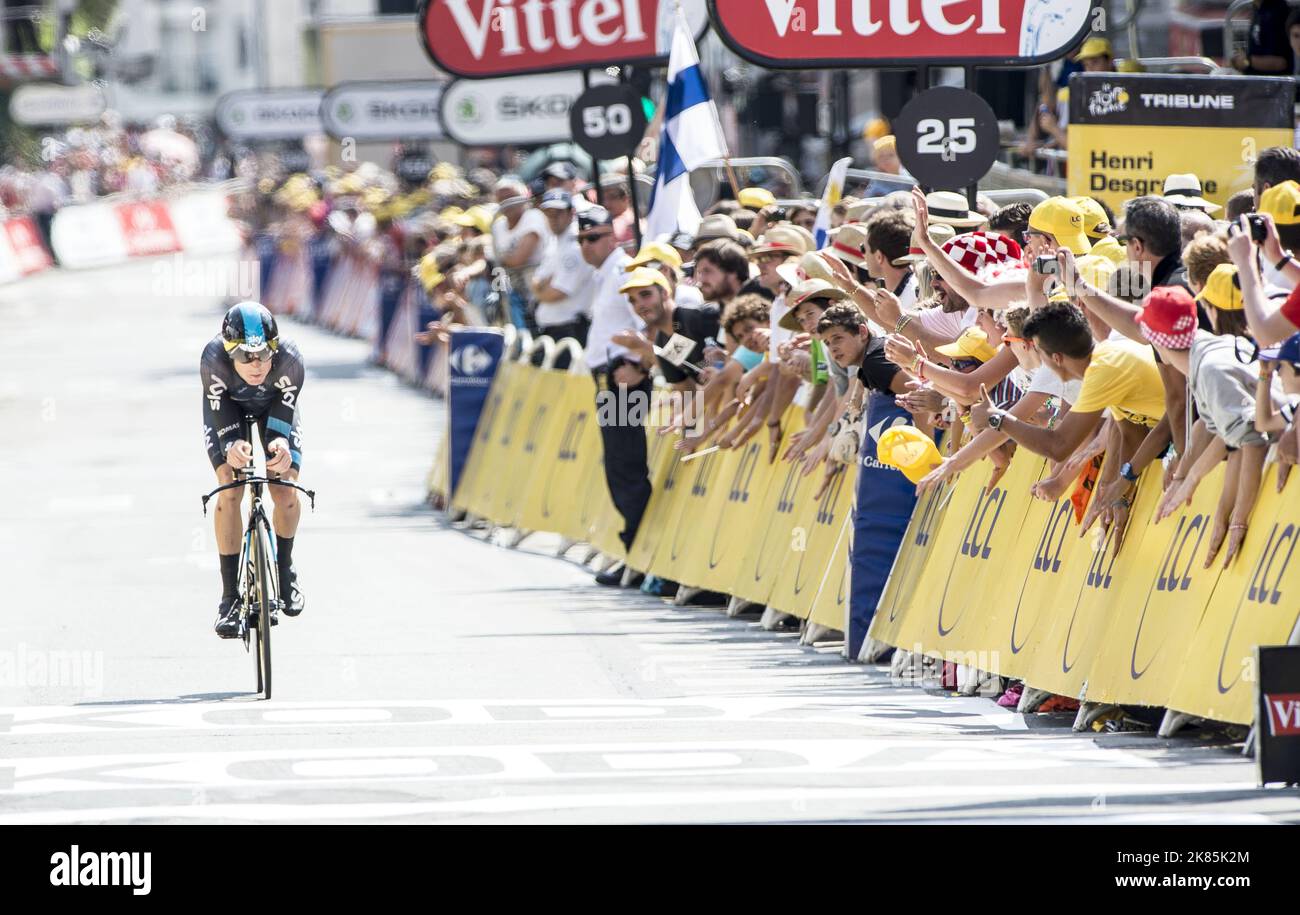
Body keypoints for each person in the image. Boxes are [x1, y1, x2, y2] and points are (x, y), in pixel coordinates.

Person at [202, 302, 306, 638]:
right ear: (230, 352)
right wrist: (231, 445)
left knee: (285, 489)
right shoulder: (213, 360)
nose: (257, 364)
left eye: (264, 354)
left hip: (274, 404)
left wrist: (280, 448)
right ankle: (229, 597)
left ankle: (285, 568)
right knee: (230, 488)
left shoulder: (290, 360)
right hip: (228, 408)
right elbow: (222, 423)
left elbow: (281, 427)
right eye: (246, 356)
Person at [579, 207, 647, 584]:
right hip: (611, 382)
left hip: (626, 382)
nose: (587, 246)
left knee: (626, 465)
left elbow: (645, 322)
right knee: (618, 464)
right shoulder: (605, 275)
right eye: (582, 240)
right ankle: (632, 550)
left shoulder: (622, 271)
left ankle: (636, 551)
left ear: (612, 237)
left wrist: (638, 366)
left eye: (594, 238)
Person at [531, 189, 594, 364]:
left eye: (558, 212)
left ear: (571, 213)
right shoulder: (555, 241)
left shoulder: (575, 246)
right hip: (553, 331)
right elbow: (535, 282)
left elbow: (558, 292)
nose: (553, 218)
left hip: (570, 331)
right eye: (549, 213)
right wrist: (541, 288)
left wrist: (540, 292)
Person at [1233, 0, 1294, 75]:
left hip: (1273, 83)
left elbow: (1280, 63)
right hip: (1257, 80)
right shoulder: (1258, 8)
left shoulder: (1277, 12)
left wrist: (1246, 61)